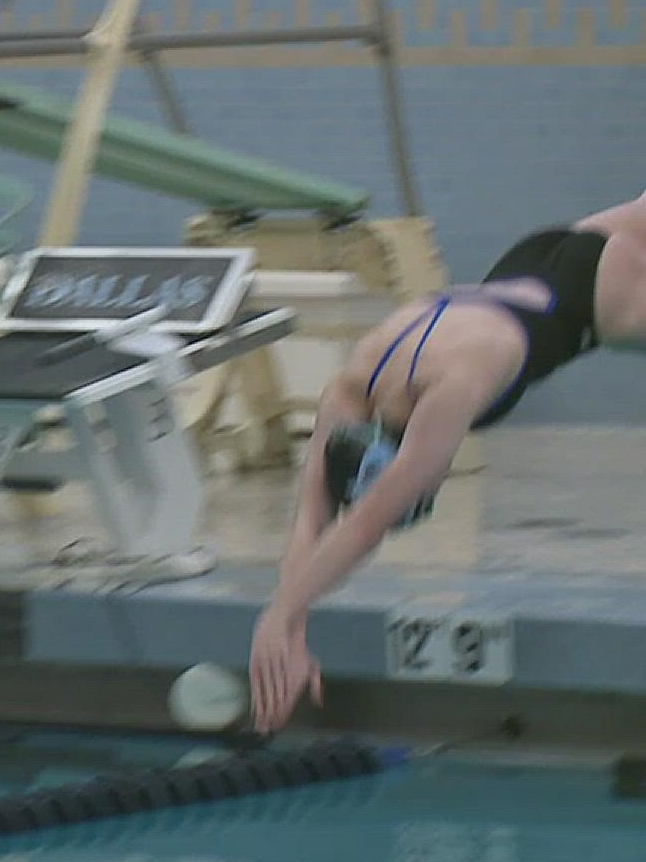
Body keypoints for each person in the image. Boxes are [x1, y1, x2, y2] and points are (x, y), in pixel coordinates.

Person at [250, 190, 646, 732]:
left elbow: (364, 523)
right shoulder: (352, 381)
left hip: (600, 298)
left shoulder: (447, 392)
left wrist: (277, 618)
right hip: (535, 259)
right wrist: (289, 626)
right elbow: (311, 519)